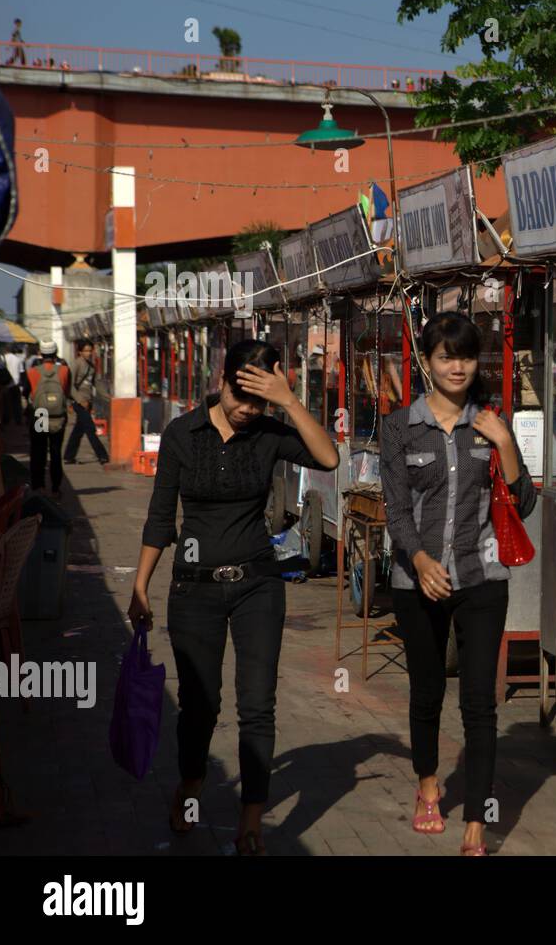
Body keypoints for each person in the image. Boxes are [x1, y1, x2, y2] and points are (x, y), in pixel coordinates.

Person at [127, 340, 338, 855]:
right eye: (242, 398)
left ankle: (251, 821)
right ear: (221, 384)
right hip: (193, 589)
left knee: (257, 705)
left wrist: (287, 402)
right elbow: (160, 517)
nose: (248, 411)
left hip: (258, 587)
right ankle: (192, 785)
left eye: (258, 403)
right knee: (199, 704)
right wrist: (139, 585)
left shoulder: (269, 433)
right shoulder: (181, 435)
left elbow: (329, 458)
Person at [379, 312, 536, 856]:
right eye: (446, 356)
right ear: (427, 361)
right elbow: (395, 509)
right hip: (415, 580)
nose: (457, 366)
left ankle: (475, 821)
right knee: (426, 692)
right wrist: (420, 561)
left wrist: (506, 445)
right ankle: (427, 785)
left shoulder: (491, 424)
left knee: (479, 703)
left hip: (482, 578)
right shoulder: (399, 428)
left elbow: (525, 505)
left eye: (466, 356)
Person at [25, 340, 70, 499]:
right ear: (55, 352)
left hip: (40, 414)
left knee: (38, 452)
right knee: (56, 452)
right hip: (58, 416)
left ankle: (38, 487)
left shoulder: (32, 371)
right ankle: (56, 488)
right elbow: (66, 391)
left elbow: (26, 394)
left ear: (41, 353)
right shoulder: (64, 370)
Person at [64, 338, 110, 465]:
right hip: (79, 402)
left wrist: (108, 398)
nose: (88, 353)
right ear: (80, 352)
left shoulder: (91, 366)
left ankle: (69, 456)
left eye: (90, 351)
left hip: (88, 401)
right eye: (86, 351)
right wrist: (79, 400)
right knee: (90, 429)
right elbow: (70, 385)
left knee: (78, 430)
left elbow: (97, 385)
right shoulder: (76, 364)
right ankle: (102, 455)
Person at [2, 344, 23, 424]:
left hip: (6, 385)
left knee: (7, 404)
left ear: (5, 350)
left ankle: (7, 420)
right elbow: (21, 371)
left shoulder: (3, 359)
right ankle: (18, 420)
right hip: (16, 384)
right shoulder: (17, 359)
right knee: (17, 404)